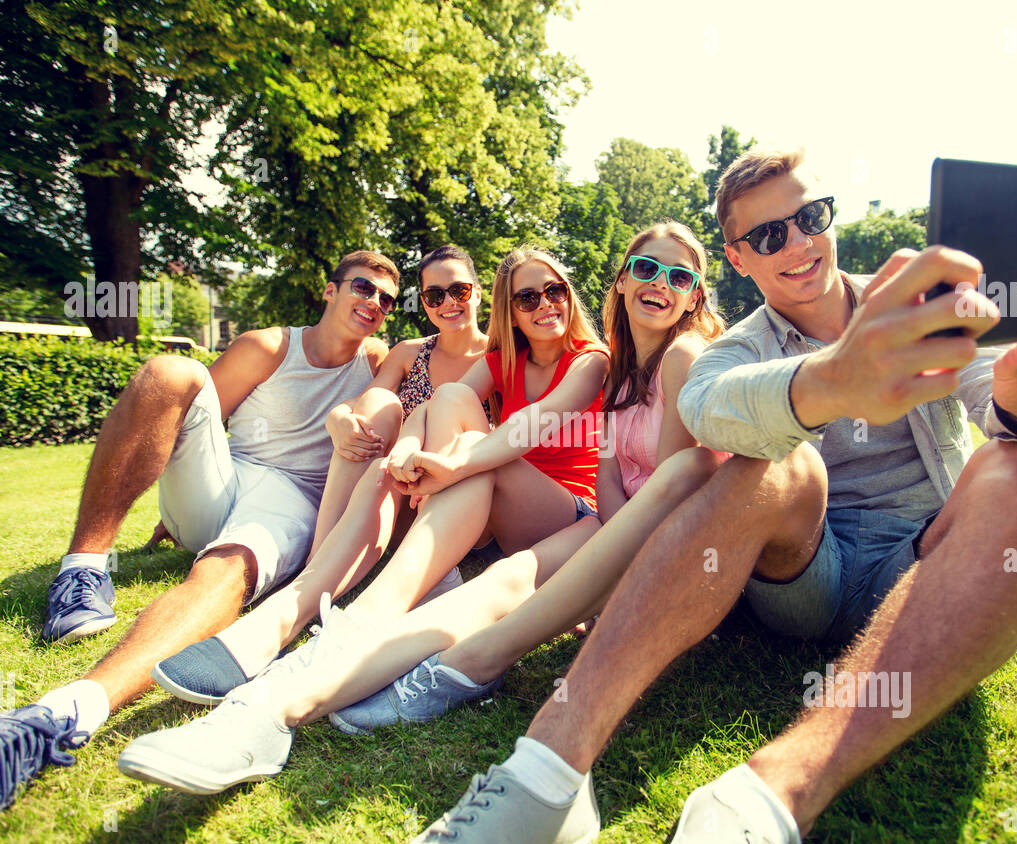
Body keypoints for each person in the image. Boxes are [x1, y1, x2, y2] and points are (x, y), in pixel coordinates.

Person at [384, 147, 1017, 844]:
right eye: (769, 235)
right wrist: (833, 379)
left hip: (928, 560)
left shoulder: (918, 310)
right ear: (738, 257)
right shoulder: (732, 349)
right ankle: (546, 775)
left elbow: (1003, 396)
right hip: (810, 573)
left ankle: (767, 799)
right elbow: (710, 411)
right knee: (773, 460)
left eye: (812, 217)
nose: (798, 244)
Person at [115, 231, 728, 795]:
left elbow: (649, 486)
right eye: (647, 268)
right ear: (621, 279)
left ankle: (306, 665)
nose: (544, 303)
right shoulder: (624, 366)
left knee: (483, 500)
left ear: (696, 291)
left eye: (680, 277)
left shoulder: (632, 359)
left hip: (603, 526)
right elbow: (607, 470)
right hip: (582, 517)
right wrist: (410, 447)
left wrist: (461, 464)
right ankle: (318, 649)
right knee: (460, 429)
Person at [0, 250, 398, 844]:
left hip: (289, 504)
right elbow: (192, 422)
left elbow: (457, 356)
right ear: (329, 290)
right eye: (363, 287)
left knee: (229, 569)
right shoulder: (268, 346)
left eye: (387, 298)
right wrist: (176, 514)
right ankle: (82, 571)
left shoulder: (382, 364)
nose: (375, 303)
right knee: (171, 372)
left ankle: (56, 717)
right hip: (223, 480)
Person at [149, 245, 491, 704]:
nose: (448, 302)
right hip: (398, 485)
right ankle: (315, 578)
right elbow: (370, 401)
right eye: (434, 295)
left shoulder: (503, 351)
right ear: (424, 302)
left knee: (436, 408)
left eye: (459, 290)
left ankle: (303, 596)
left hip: (461, 499)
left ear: (480, 293)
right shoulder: (410, 352)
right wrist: (340, 420)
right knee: (378, 410)